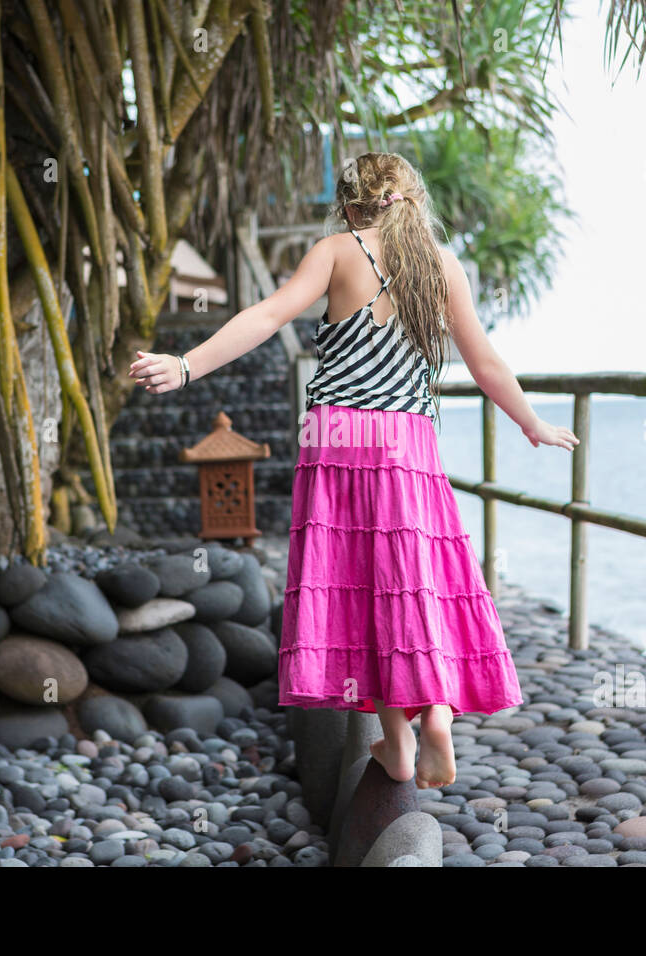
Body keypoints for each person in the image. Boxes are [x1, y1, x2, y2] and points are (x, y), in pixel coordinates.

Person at [129, 151, 577, 788]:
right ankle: (436, 717)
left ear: (350, 203)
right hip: (408, 444)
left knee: (363, 584)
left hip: (337, 437)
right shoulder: (441, 265)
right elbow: (485, 363)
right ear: (414, 199)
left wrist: (185, 364)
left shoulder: (337, 250)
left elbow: (268, 316)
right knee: (415, 579)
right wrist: (531, 423)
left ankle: (397, 743)